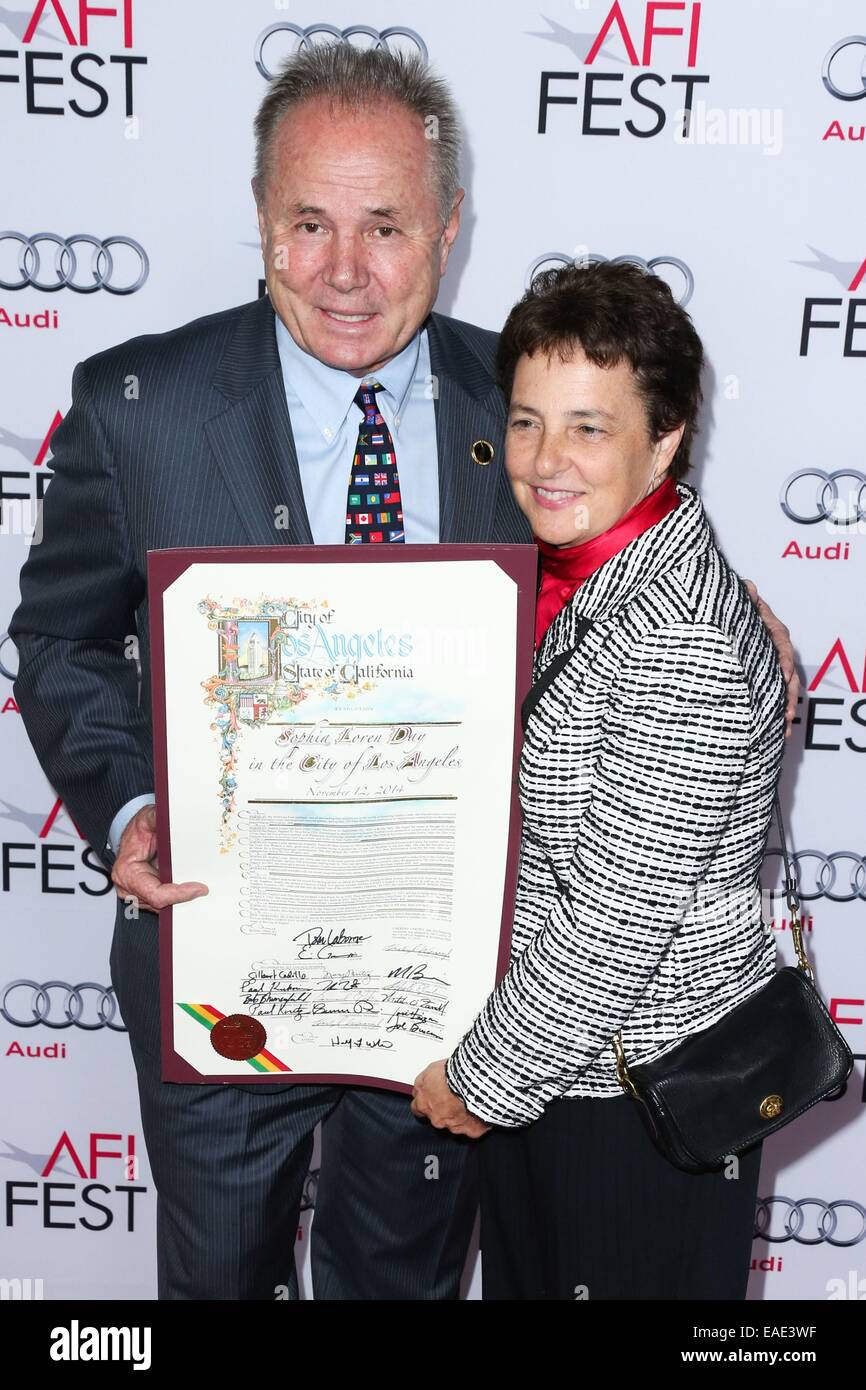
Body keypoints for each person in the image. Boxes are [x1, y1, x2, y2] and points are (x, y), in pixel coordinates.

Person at [10, 45, 795, 1301]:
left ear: (447, 226)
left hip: (453, 988)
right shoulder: (133, 405)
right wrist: (127, 804)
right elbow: (58, 640)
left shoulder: (528, 402)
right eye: (308, 222)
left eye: (385, 224)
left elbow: (625, 584)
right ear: (261, 220)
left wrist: (751, 639)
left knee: (405, 1286)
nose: (344, 270)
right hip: (222, 967)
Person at [412, 260, 787, 1301]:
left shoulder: (674, 637)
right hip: (567, 1075)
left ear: (663, 438)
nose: (542, 460)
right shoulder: (576, 573)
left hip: (633, 1100)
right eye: (526, 422)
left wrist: (480, 1076)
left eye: (587, 427)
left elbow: (614, 919)